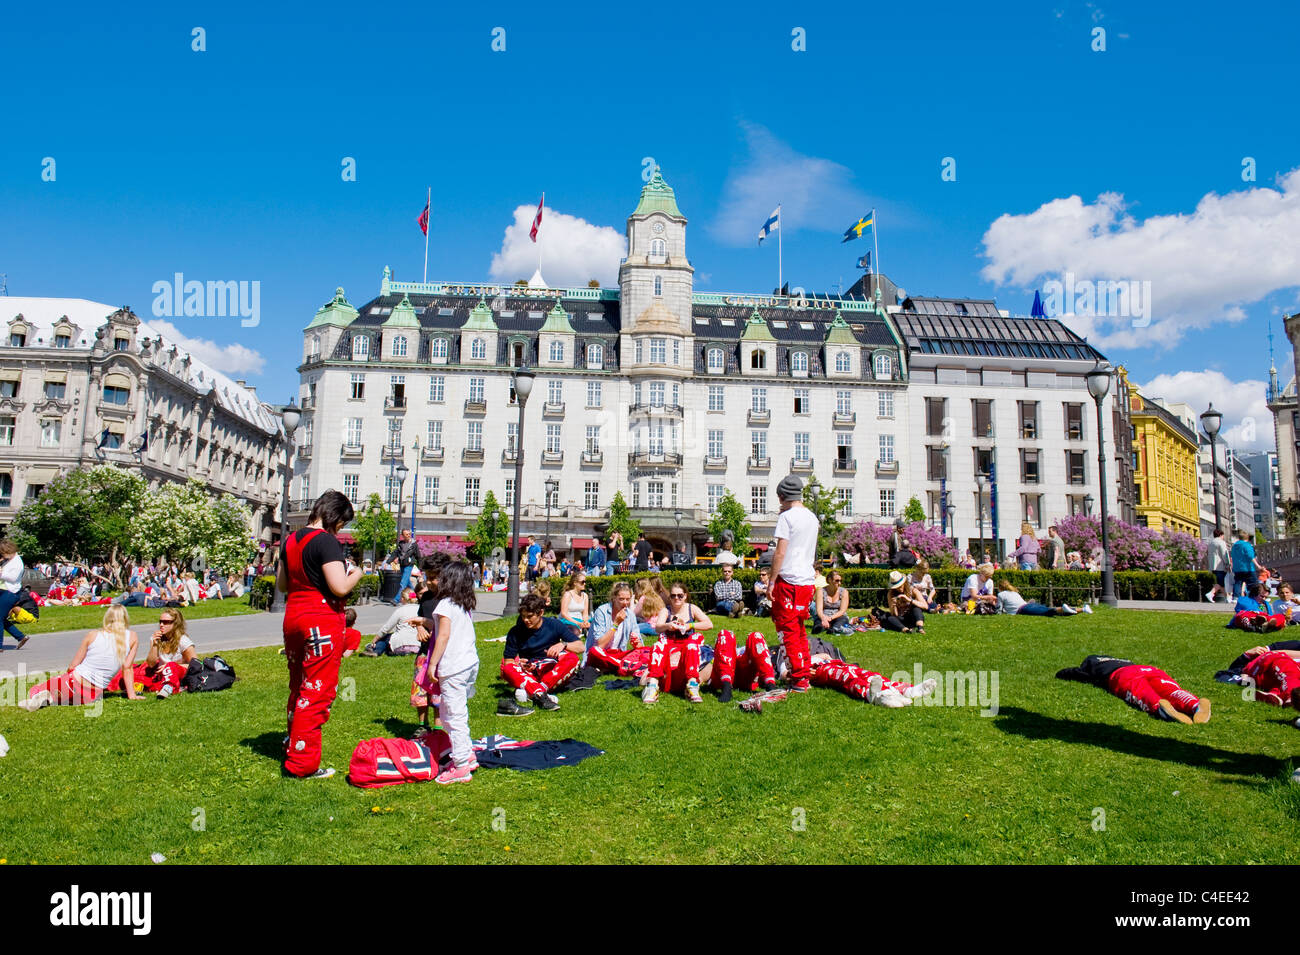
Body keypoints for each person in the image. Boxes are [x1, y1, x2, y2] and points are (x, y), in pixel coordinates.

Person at [276, 490, 364, 780]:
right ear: (334, 516)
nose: (340, 530)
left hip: (294, 618)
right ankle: (303, 762)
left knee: (298, 685)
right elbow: (339, 587)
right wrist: (358, 573)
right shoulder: (326, 541)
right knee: (316, 691)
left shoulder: (290, 540)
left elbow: (283, 584)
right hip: (320, 620)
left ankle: (292, 743)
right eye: (341, 524)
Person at [418, 560, 480, 784]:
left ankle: (461, 765)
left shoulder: (444, 604)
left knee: (453, 716)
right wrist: (424, 621)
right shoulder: (462, 604)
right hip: (469, 663)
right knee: (452, 712)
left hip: (453, 666)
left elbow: (442, 636)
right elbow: (446, 629)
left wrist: (432, 664)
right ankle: (467, 753)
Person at [20, 605, 141, 710]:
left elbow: (73, 665)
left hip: (76, 680)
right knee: (67, 695)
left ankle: (45, 695)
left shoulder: (93, 635)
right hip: (94, 693)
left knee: (37, 688)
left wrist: (65, 676)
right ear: (125, 619)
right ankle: (51, 697)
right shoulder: (133, 637)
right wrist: (132, 695)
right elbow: (127, 668)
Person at [768, 474, 819, 692]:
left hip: (788, 579)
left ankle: (798, 678)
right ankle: (805, 671)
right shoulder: (812, 517)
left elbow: (780, 552)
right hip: (806, 580)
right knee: (799, 628)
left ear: (782, 496)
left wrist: (771, 580)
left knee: (787, 630)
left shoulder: (786, 518)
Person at [1056, 654, 1210, 723]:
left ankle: (1159, 708)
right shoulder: (1122, 659)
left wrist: (1062, 674)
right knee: (1169, 689)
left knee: (1141, 691)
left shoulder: (1093, 665)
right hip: (1146, 668)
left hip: (1122, 675)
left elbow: (1069, 673)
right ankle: (1195, 704)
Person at [501, 593, 581, 711]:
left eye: (529, 616)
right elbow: (508, 661)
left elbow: (580, 647)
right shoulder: (515, 631)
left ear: (541, 613)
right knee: (507, 669)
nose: (526, 620)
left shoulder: (554, 625)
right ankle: (541, 695)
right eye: (523, 616)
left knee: (572, 659)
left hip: (550, 670)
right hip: (529, 672)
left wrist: (563, 645)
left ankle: (536, 691)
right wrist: (518, 663)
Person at [641, 581, 714, 704]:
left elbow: (709, 624)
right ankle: (652, 687)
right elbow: (658, 628)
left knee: (693, 645)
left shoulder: (691, 608)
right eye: (673, 596)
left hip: (688, 645)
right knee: (658, 646)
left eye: (680, 595)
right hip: (670, 645)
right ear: (670, 597)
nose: (676, 598)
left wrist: (689, 625)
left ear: (685, 596)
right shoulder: (666, 610)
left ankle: (692, 685)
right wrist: (668, 625)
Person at [107, 608, 197, 699]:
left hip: (176, 673)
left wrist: (171, 665)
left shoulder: (183, 641)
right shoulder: (156, 638)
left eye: (166, 622)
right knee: (130, 671)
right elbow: (151, 663)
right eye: (160, 622)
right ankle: (101, 685)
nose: (161, 625)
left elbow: (196, 665)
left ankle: (168, 688)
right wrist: (154, 645)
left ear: (175, 624)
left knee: (171, 666)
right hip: (158, 672)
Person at [586, 582, 645, 674]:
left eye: (628, 599)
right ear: (614, 598)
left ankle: (615, 666)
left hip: (618, 654)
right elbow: (600, 645)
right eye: (621, 599)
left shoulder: (630, 614)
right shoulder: (602, 611)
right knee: (594, 651)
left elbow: (641, 646)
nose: (625, 603)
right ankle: (624, 666)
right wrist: (616, 624)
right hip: (601, 654)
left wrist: (637, 644)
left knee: (646, 651)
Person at [709, 629, 777, 702]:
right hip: (722, 674)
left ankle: (770, 685)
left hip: (744, 674)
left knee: (756, 636)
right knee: (725, 634)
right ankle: (726, 685)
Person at [1234, 643, 1300, 708]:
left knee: (1286, 679)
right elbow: (1278, 653)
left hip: (1270, 677)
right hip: (1268, 662)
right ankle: (1290, 696)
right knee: (1290, 671)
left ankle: (1273, 694)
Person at [995, 579, 1084, 616]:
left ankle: (1067, 609)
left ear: (1000, 587)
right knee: (1049, 609)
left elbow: (999, 610)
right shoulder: (1014, 592)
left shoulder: (1001, 594)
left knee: (1048, 612)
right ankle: (1082, 609)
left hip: (1023, 609)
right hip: (1027, 605)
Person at [0, 538, 28, 650]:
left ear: (9, 551)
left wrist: (1, 573)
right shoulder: (10, 560)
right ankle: (20, 636)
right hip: (6, 591)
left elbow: (13, 578)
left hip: (10, 592)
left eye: (4, 553)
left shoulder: (17, 562)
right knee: (1, 618)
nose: (3, 555)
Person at [559, 569, 591, 640]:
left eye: (585, 582)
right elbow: (564, 613)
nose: (584, 584)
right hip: (568, 620)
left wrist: (585, 622)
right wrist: (577, 623)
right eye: (582, 582)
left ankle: (584, 630)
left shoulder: (585, 595)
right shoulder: (568, 595)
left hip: (580, 621)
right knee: (575, 632)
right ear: (575, 583)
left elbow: (585, 614)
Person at [1229, 529, 1261, 597]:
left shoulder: (1234, 546)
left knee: (1238, 583)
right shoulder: (1247, 545)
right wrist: (1258, 566)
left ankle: (1236, 597)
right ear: (1247, 538)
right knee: (1253, 583)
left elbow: (1232, 556)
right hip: (1247, 568)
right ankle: (1255, 596)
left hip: (1237, 568)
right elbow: (1251, 556)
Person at [1206, 528, 1229, 604]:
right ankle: (1211, 593)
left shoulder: (1211, 543)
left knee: (1221, 582)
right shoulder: (1221, 542)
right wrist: (1227, 564)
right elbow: (1224, 554)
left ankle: (1227, 598)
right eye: (1223, 535)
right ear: (1220, 535)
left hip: (1212, 565)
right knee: (1221, 582)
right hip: (1220, 565)